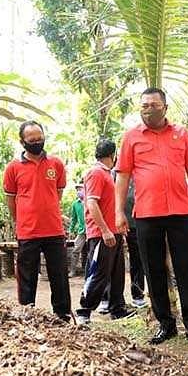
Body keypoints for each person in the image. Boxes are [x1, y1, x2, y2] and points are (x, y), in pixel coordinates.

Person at [115, 87, 188, 346]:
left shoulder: (182, 134)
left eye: (154, 105)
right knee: (153, 270)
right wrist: (118, 211)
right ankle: (165, 325)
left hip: (180, 211)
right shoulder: (131, 137)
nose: (148, 110)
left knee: (186, 268)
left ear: (165, 107)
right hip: (146, 214)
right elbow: (123, 176)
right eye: (144, 105)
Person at [3, 121, 72, 321]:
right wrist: (20, 221)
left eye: (40, 138)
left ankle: (62, 315)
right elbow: (11, 200)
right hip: (28, 231)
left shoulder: (56, 164)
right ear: (22, 141)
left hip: (54, 230)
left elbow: (57, 193)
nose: (37, 142)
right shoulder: (13, 168)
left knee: (59, 275)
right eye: (32, 140)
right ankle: (27, 314)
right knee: (27, 276)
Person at [75, 139, 134, 324]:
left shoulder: (108, 174)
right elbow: (91, 203)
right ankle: (84, 311)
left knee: (117, 272)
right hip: (101, 233)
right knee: (99, 272)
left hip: (113, 230)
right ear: (113, 155)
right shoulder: (96, 173)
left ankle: (117, 308)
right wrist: (105, 230)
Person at [124, 178, 146, 308]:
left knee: (137, 260)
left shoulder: (140, 176)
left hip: (138, 225)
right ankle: (109, 299)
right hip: (119, 224)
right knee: (112, 263)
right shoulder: (115, 176)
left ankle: (138, 294)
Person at [68, 182, 87, 276]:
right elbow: (73, 218)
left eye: (80, 189)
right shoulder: (75, 204)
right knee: (76, 250)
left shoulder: (90, 201)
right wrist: (71, 230)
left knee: (91, 251)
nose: (79, 191)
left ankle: (88, 271)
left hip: (93, 230)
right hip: (82, 231)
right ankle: (72, 271)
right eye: (77, 190)